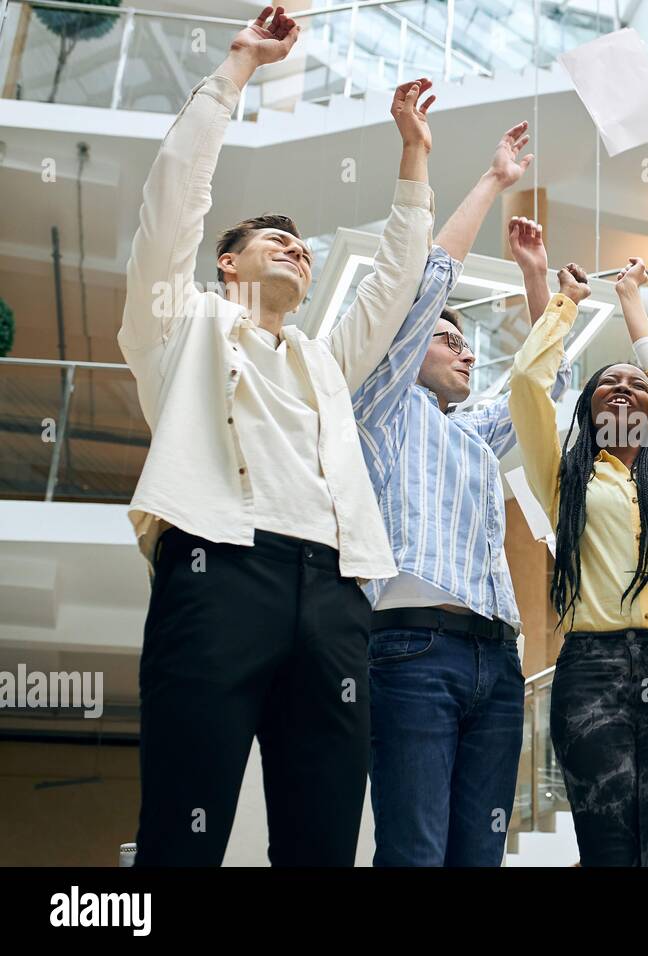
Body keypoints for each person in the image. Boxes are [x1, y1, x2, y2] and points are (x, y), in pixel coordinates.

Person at [121, 7, 435, 866]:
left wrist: (412, 154)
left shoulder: (326, 361)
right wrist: (237, 71)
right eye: (273, 241)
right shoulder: (176, 323)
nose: (295, 249)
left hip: (334, 595)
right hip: (217, 570)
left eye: (303, 246)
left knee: (325, 838)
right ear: (228, 263)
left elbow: (397, 278)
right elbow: (171, 205)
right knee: (185, 826)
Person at [508, 199, 648, 866]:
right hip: (590, 669)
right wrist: (565, 303)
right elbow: (527, 380)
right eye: (607, 383)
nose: (621, 386)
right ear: (588, 409)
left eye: (636, 384)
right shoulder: (564, 476)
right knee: (608, 852)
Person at [353, 190, 574, 865]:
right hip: (413, 652)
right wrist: (493, 180)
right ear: (411, 346)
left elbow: (549, 383)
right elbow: (424, 293)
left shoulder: (473, 433)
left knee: (478, 856)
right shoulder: (381, 408)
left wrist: (537, 279)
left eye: (469, 344)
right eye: (450, 340)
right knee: (416, 851)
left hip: (499, 662)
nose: (468, 354)